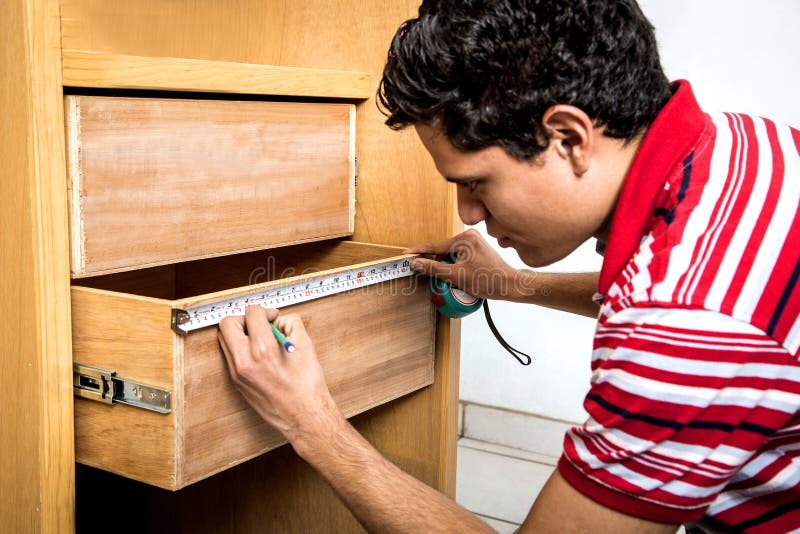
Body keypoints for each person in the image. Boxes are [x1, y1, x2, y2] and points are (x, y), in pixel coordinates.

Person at [218, 0, 800, 531]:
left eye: (475, 182)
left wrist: (311, 423)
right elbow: (679, 292)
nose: (468, 213)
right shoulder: (743, 146)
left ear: (568, 138)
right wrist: (514, 285)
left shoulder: (685, 330)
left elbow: (685, 316)